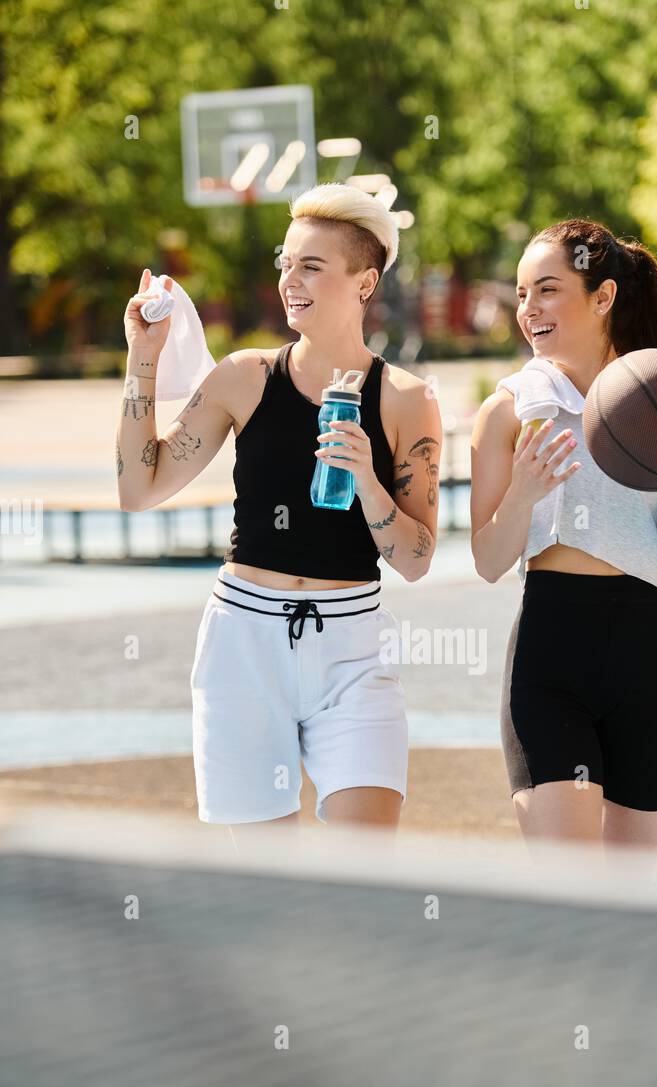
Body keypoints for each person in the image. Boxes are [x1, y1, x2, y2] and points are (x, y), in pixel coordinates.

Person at [118, 183, 441, 833]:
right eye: (286, 263)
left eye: (312, 266)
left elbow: (415, 559)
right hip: (243, 643)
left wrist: (368, 480)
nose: (291, 280)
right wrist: (142, 359)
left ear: (364, 282)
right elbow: (139, 488)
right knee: (258, 888)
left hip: (353, 648)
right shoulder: (243, 375)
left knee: (365, 864)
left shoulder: (407, 399)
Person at [471, 218, 657, 855]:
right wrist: (524, 497)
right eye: (521, 293)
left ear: (604, 296)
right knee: (572, 891)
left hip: (648, 655)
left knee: (626, 904)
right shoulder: (509, 408)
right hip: (551, 650)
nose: (528, 309)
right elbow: (486, 560)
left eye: (548, 289)